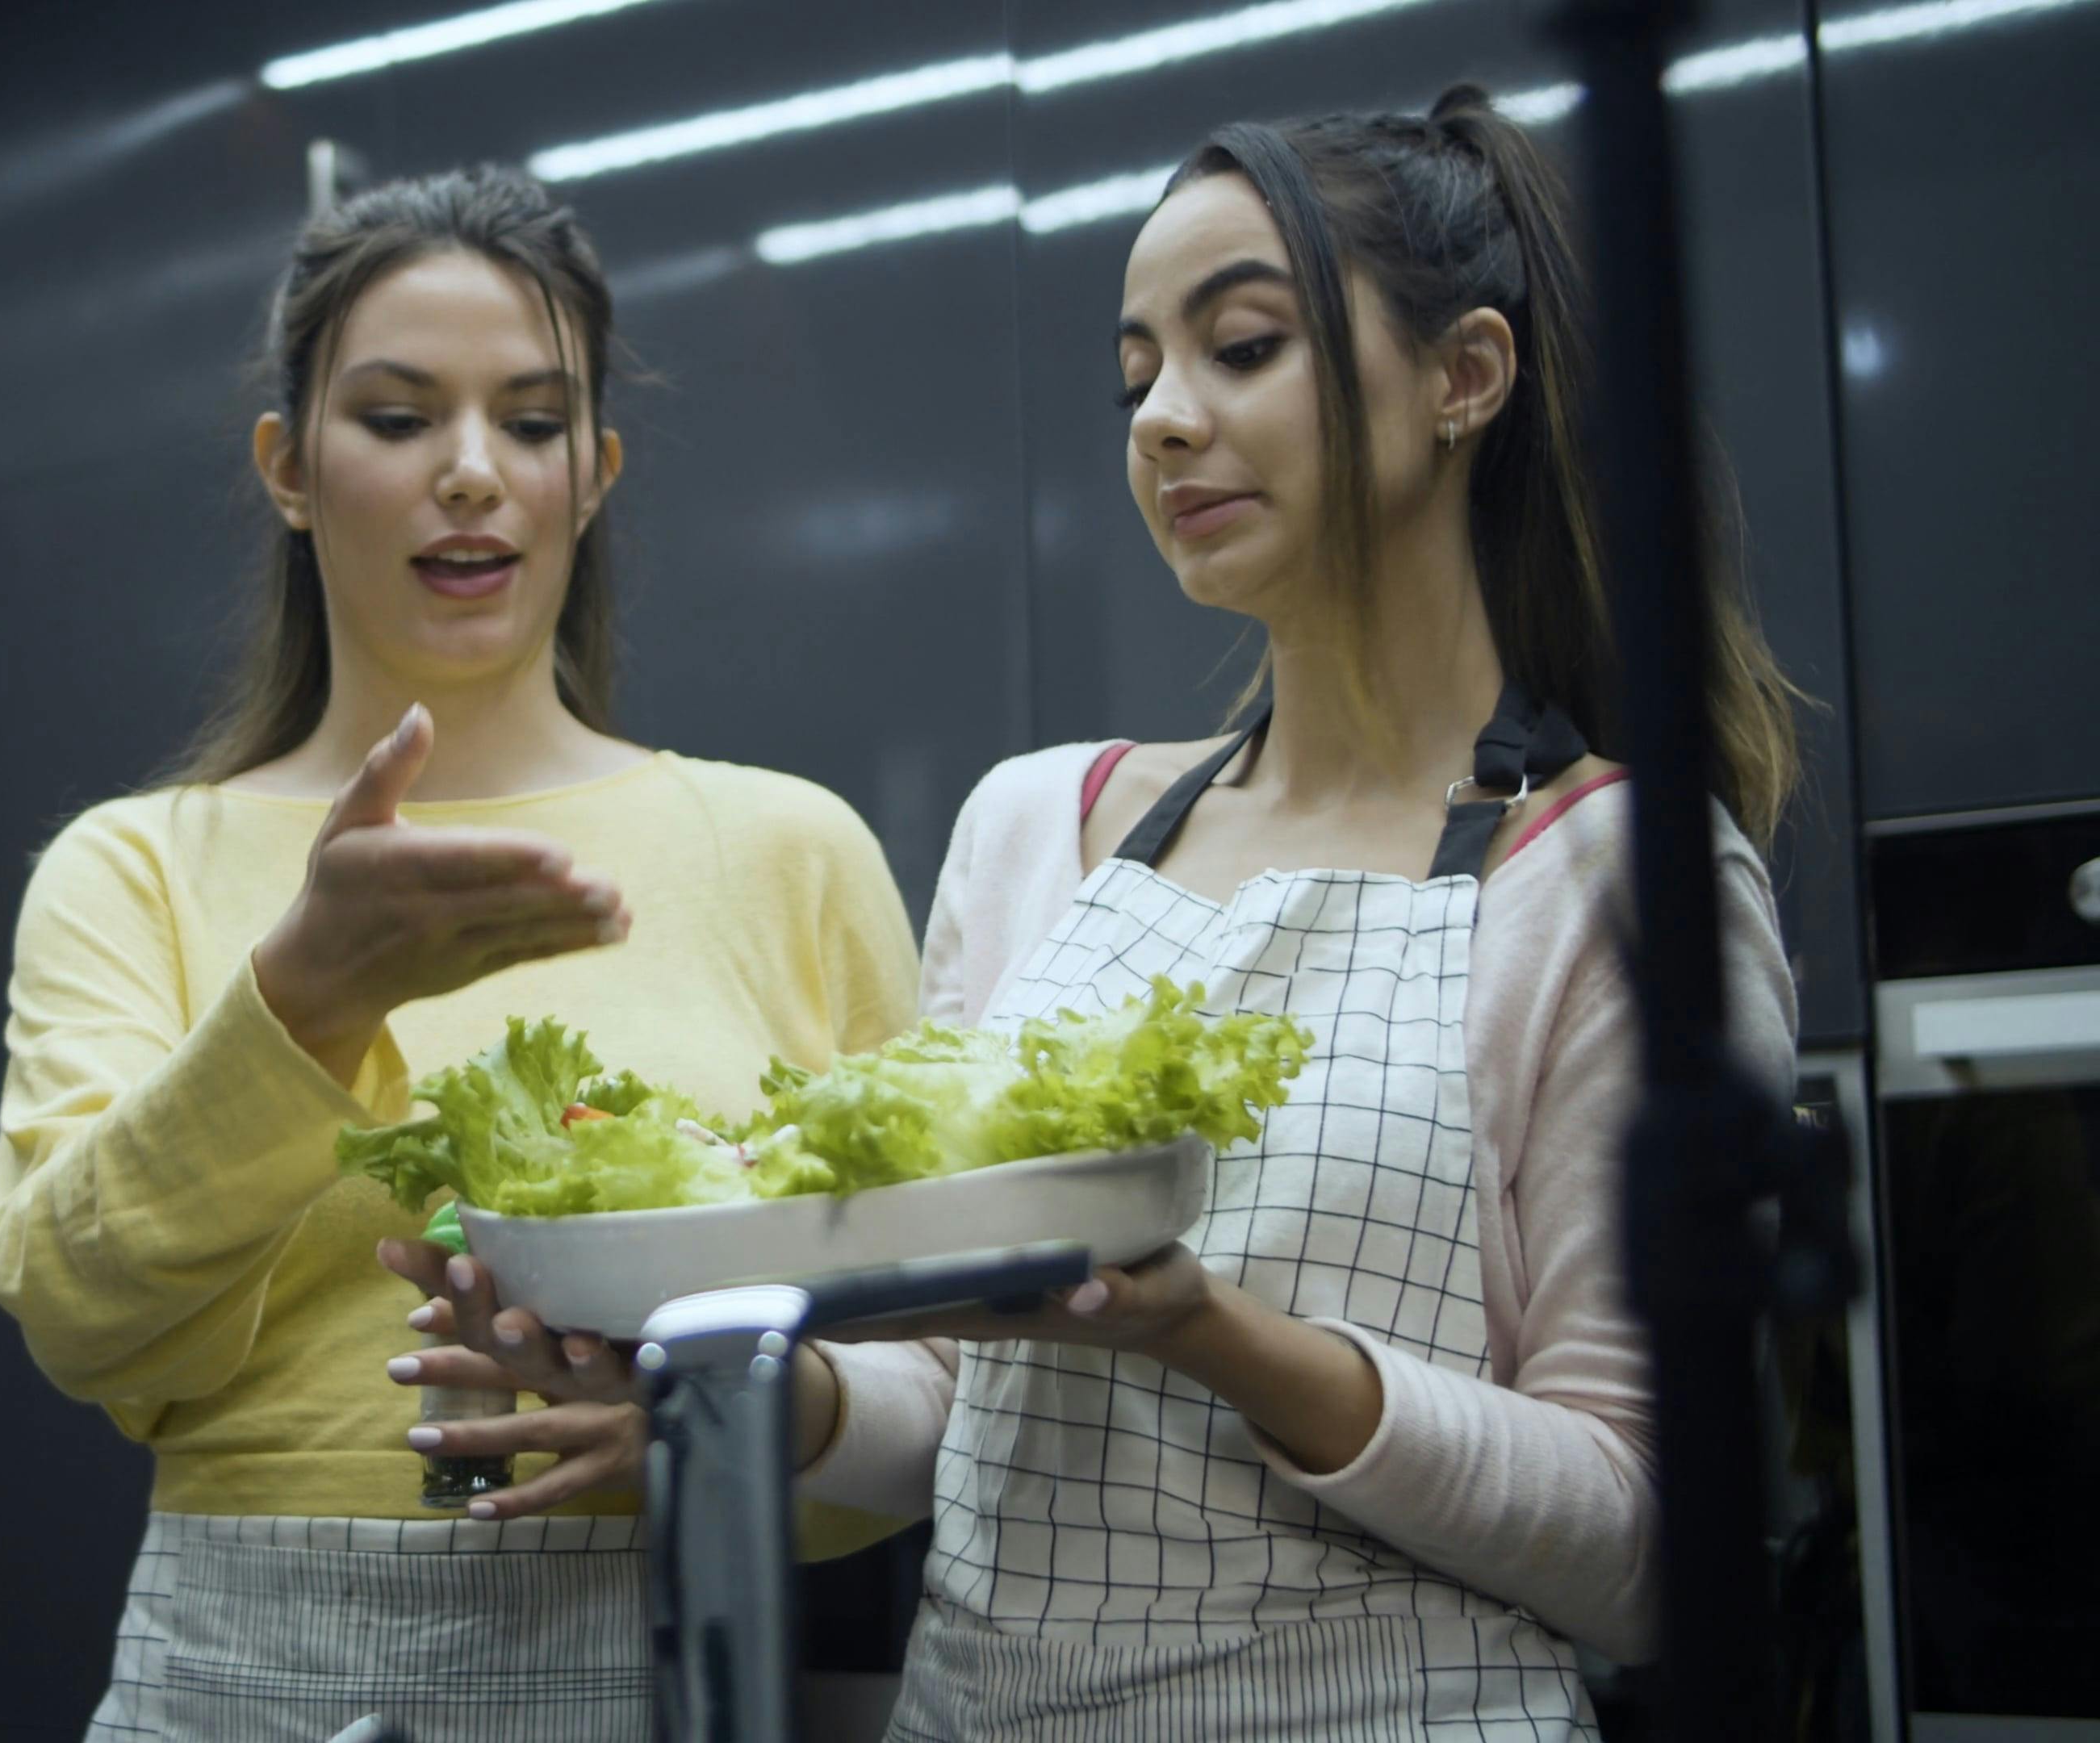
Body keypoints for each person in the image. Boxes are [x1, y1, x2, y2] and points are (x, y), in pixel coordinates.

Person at [391, 87, 1807, 1739]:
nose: (1163, 419)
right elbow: (949, 1397)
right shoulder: (1040, 828)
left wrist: (1218, 1337)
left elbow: (1650, 1549)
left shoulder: (1617, 880)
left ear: (1464, 377)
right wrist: (712, 1382)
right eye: (1137, 374)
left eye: (1244, 347)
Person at [0, 164, 921, 1742]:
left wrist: (711, 1422)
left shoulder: (791, 853)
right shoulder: (131, 865)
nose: (472, 472)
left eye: (533, 424)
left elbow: (940, 1389)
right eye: (400, 418)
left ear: (596, 470)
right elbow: (73, 1307)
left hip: (672, 1645)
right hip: (241, 1669)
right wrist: (308, 993)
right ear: (288, 466)